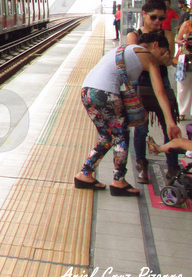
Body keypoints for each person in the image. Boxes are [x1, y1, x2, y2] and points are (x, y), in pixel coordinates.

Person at [74, 30, 179, 196]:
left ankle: (85, 174)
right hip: (106, 93)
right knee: (121, 135)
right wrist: (171, 122)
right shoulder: (148, 56)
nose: (164, 56)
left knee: (107, 136)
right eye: (164, 52)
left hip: (87, 91)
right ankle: (119, 180)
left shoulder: (126, 49)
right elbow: (160, 93)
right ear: (156, 46)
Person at [126, 0, 182, 184]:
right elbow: (134, 61)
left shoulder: (167, 35)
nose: (158, 22)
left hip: (162, 84)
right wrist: (157, 60)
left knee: (169, 127)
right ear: (144, 15)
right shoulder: (133, 35)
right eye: (154, 17)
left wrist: (150, 59)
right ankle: (142, 164)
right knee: (141, 129)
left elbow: (169, 59)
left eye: (162, 18)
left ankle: (172, 165)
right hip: (139, 86)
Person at [175, 13, 192, 121]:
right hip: (185, 58)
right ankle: (182, 111)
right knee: (183, 86)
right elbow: (177, 38)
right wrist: (183, 42)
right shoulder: (186, 24)